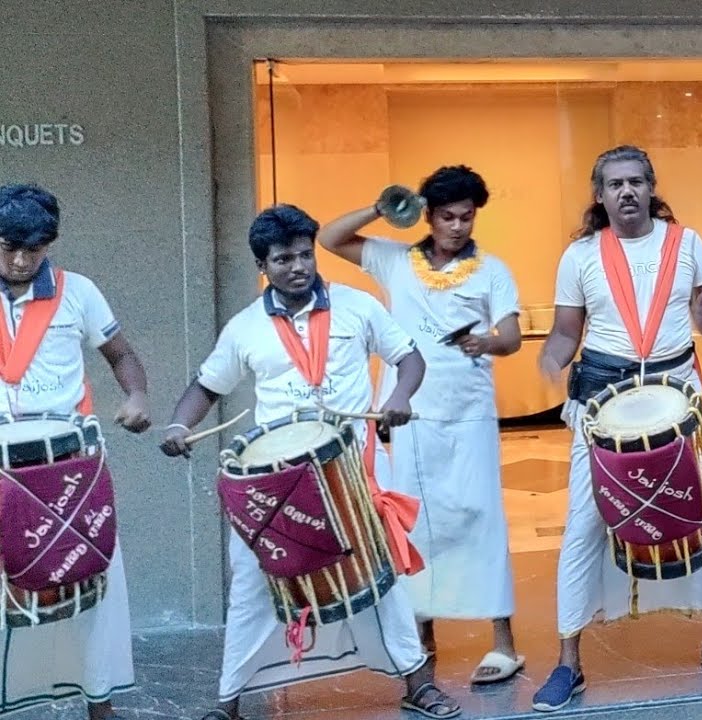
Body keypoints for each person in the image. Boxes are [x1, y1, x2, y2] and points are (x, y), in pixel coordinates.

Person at [159, 205, 460, 720]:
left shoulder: (358, 306)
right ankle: (226, 703)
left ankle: (418, 684)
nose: (298, 266)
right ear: (263, 265)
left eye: (304, 254)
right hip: (277, 481)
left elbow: (409, 358)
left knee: (383, 575)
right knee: (252, 580)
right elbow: (207, 386)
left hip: (351, 468)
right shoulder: (243, 328)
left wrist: (402, 396)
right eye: (283, 259)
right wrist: (178, 425)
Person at [532, 145, 702, 712]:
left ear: (651, 186)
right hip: (603, 399)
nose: (626, 191)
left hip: (677, 397)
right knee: (583, 523)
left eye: (635, 181)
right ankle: (568, 661)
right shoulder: (580, 255)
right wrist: (549, 360)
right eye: (615, 184)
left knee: (701, 513)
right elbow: (566, 332)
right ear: (600, 194)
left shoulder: (687, 243)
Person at [317, 165, 523, 685]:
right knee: (412, 520)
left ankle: (504, 641)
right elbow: (329, 237)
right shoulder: (394, 260)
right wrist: (382, 208)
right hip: (405, 413)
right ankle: (423, 637)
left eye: (467, 217)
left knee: (480, 517)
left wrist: (486, 343)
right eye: (448, 216)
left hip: (469, 413)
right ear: (428, 216)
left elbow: (513, 337)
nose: (458, 227)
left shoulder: (492, 270)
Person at [0, 183, 151, 720]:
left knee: (91, 584)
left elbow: (121, 354)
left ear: (50, 245)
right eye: (6, 246)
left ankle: (98, 705)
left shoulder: (79, 292)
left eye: (33, 249)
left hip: (70, 465)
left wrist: (136, 396)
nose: (19, 260)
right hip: (1, 466)